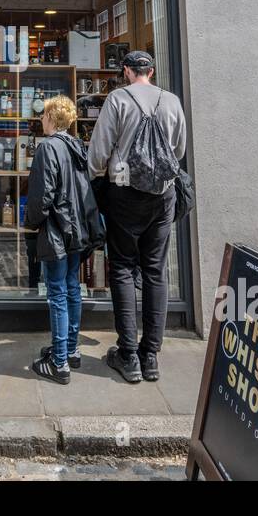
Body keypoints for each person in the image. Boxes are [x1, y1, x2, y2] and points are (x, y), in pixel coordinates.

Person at [88, 51, 187, 384]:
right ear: (152, 71)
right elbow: (179, 149)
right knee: (156, 270)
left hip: (125, 194)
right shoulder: (171, 101)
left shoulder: (118, 99)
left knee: (123, 269)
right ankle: (151, 356)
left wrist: (94, 178)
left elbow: (99, 150)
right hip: (162, 195)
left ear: (127, 71)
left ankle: (128, 354)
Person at [25, 95, 106, 385]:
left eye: (44, 115)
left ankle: (59, 363)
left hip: (57, 230)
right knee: (72, 288)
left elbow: (42, 195)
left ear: (53, 119)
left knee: (57, 293)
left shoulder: (47, 147)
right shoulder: (75, 146)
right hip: (77, 230)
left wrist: (32, 222)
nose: (41, 119)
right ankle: (70, 349)